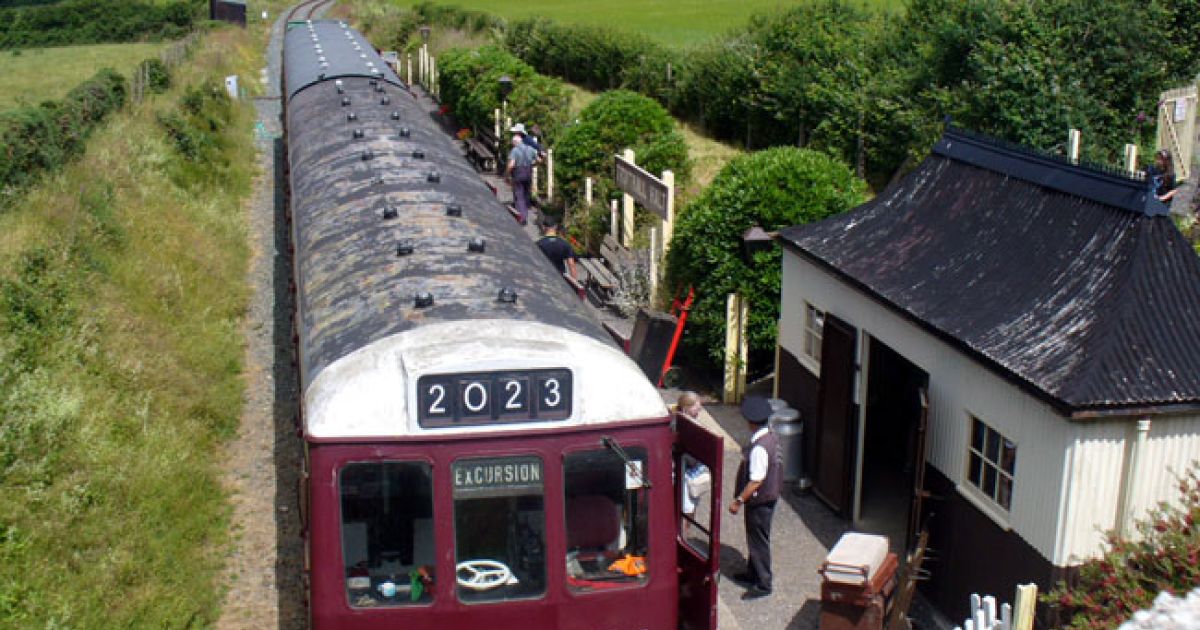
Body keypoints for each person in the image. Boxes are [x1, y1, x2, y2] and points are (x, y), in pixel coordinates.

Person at [728, 395, 781, 599]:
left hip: (759, 500)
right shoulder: (771, 438)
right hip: (768, 497)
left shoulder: (759, 448)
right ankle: (753, 572)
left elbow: (756, 480)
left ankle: (764, 582)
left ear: (751, 422)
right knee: (755, 537)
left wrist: (738, 500)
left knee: (759, 540)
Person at [674, 392, 710, 533]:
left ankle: (685, 533)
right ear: (685, 408)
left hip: (692, 472)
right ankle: (683, 534)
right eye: (696, 407)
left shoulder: (692, 422)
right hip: (685, 471)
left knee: (691, 506)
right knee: (687, 507)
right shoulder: (679, 425)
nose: (699, 410)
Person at [505, 134, 538, 225]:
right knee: (526, 195)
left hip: (518, 174)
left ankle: (522, 218)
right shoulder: (531, 149)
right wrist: (533, 165)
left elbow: (511, 165)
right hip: (528, 174)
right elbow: (539, 159)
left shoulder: (515, 150)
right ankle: (522, 212)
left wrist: (507, 174)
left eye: (513, 143)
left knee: (519, 195)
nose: (513, 145)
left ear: (515, 142)